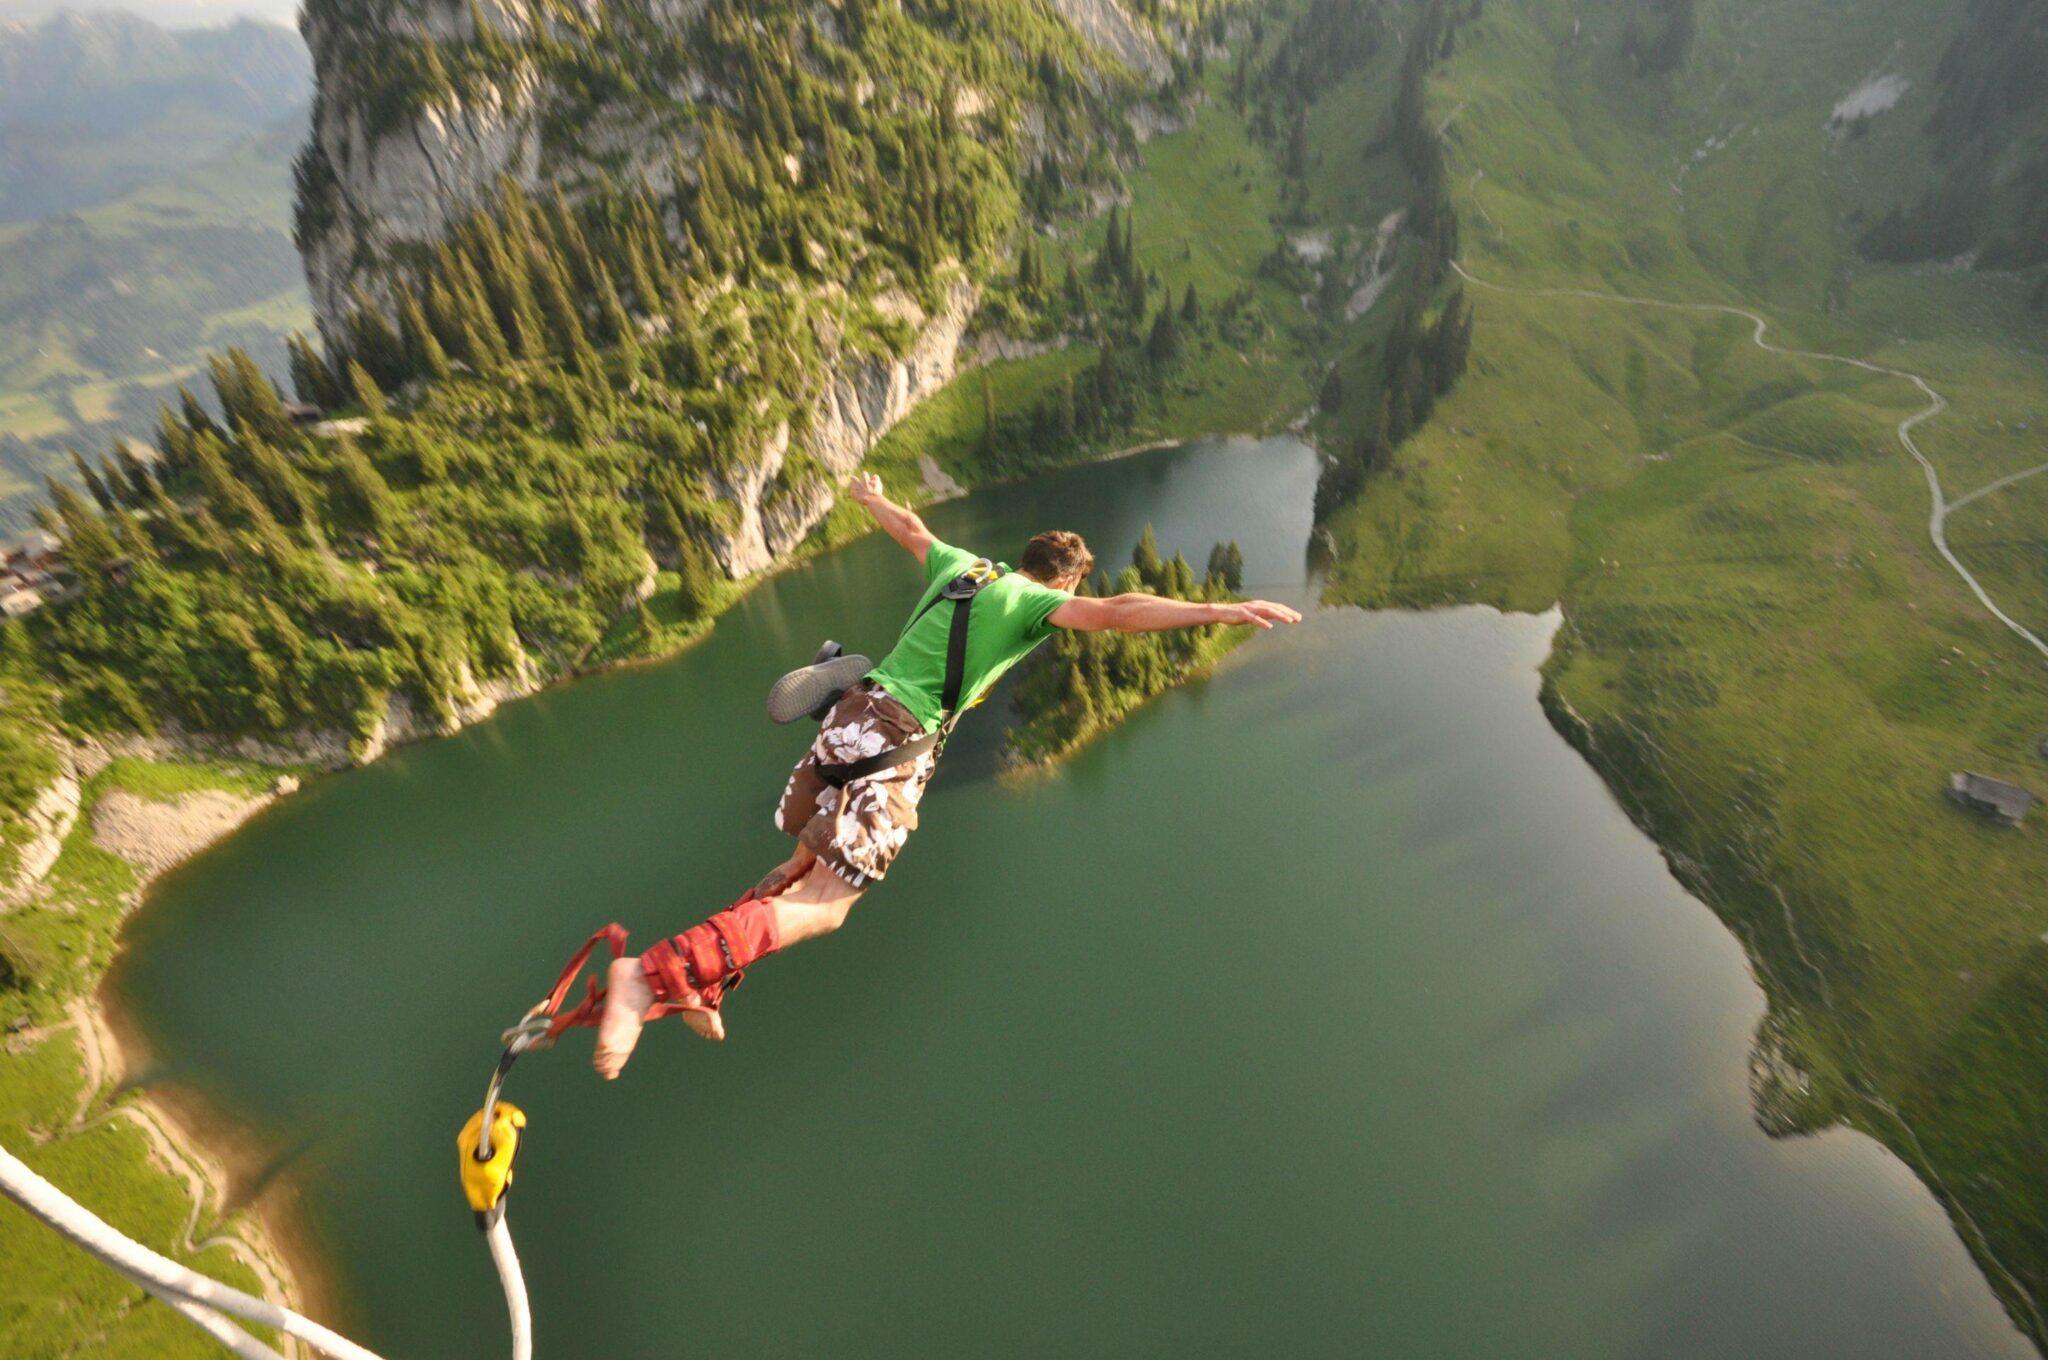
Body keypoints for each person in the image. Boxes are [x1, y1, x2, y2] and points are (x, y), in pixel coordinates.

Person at [593, 472, 1301, 1077]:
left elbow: (911, 529)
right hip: (898, 742)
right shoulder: (1034, 601)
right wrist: (1219, 609)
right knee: (829, 906)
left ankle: (704, 983)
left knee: (803, 867)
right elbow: (1116, 614)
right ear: (1063, 579)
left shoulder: (963, 566)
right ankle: (653, 976)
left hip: (850, 717)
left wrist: (870, 499)